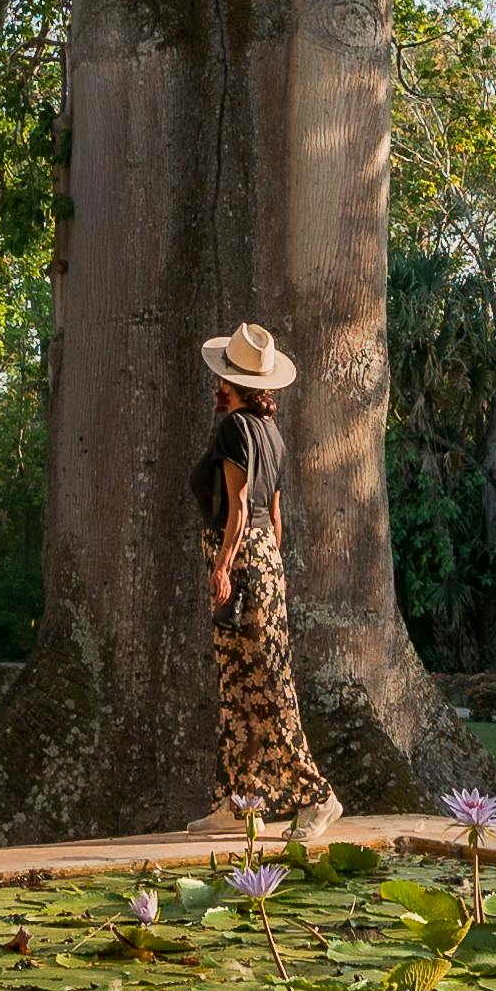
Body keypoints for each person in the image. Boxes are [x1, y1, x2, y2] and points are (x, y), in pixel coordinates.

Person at [195, 321, 332, 830]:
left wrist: (223, 566)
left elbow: (236, 508)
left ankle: (317, 796)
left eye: (222, 381)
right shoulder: (271, 432)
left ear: (232, 383)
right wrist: (270, 571)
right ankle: (239, 804)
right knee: (241, 681)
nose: (218, 388)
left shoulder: (233, 428)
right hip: (266, 561)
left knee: (266, 684)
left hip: (241, 560)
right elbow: (276, 517)